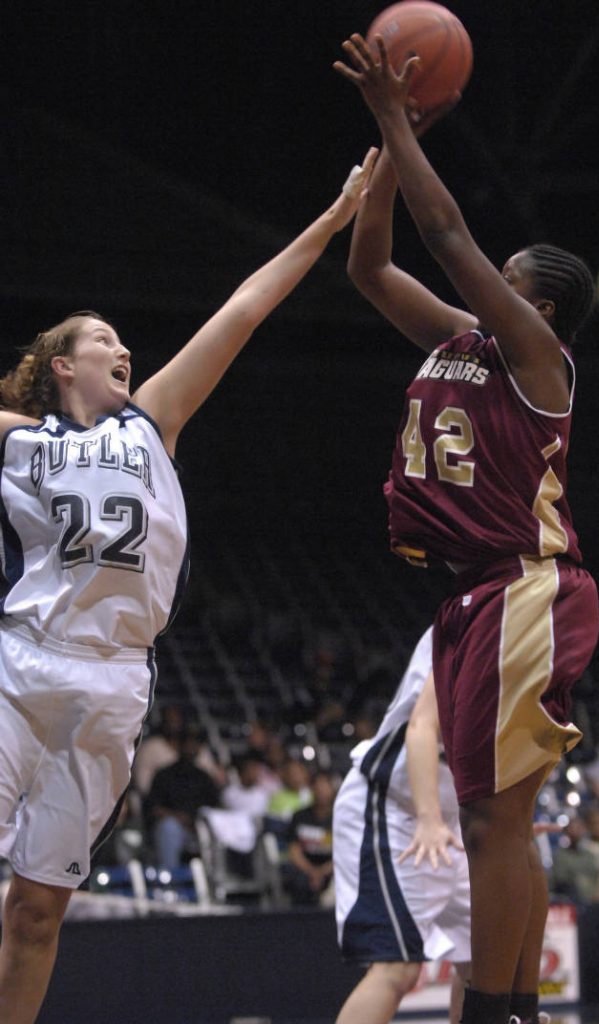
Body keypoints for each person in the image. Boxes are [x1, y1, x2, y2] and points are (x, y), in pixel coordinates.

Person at [0, 145, 377, 1024]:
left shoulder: (151, 421)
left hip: (114, 682)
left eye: (122, 340)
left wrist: (332, 217)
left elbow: (243, 310)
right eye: (102, 339)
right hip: (19, 664)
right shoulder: (19, 440)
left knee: (38, 907)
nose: (123, 346)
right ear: (61, 364)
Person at [334, 35, 599, 1024]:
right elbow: (370, 267)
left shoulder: (534, 355)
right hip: (474, 592)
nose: (487, 268)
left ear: (530, 299)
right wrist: (380, 174)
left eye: (506, 269)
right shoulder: (459, 341)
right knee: (508, 820)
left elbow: (446, 234)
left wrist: (398, 122)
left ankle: (489, 1008)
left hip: (522, 582)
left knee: (497, 818)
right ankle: (516, 1005)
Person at [333, 626, 471, 1024]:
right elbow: (423, 724)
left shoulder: (541, 638)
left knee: (487, 961)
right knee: (397, 968)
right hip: (392, 805)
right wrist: (428, 817)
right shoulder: (479, 614)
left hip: (452, 818)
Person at [145, 724, 221, 870]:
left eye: (196, 743)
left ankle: (218, 883)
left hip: (198, 830)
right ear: (179, 745)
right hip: (174, 829)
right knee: (169, 828)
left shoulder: (204, 778)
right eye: (188, 742)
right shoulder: (164, 775)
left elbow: (215, 808)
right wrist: (178, 817)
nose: (192, 747)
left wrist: (196, 822)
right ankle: (171, 882)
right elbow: (153, 808)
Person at [282, 770, 336, 906]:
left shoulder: (340, 818)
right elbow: (294, 850)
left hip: (332, 869)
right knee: (297, 882)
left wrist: (322, 872)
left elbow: (345, 853)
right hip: (304, 868)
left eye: (325, 787)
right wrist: (312, 872)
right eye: (317, 787)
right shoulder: (300, 816)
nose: (321, 791)